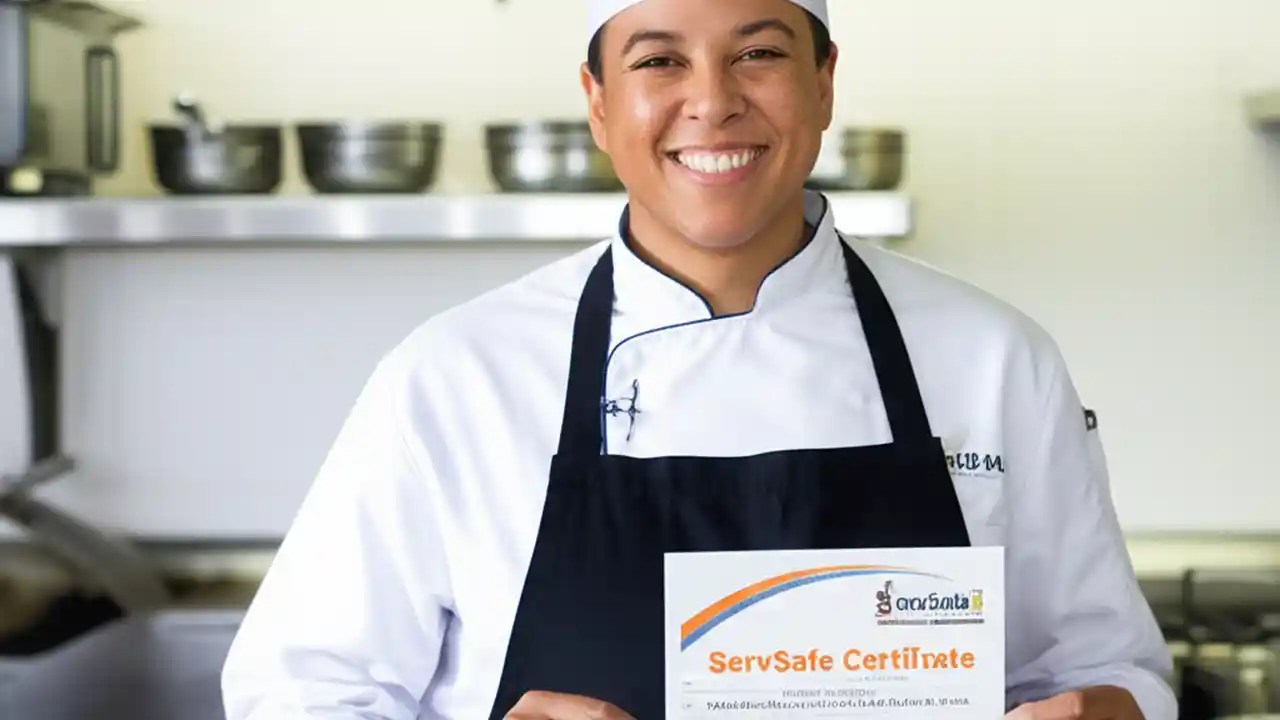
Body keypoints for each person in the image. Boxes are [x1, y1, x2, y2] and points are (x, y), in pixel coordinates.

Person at [220, 0, 1176, 718]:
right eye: (659, 60)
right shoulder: (453, 376)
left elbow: (1111, 668)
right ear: (598, 101)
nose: (713, 103)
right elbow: (294, 692)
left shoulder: (993, 358)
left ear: (825, 82)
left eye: (759, 53)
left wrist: (1107, 707)